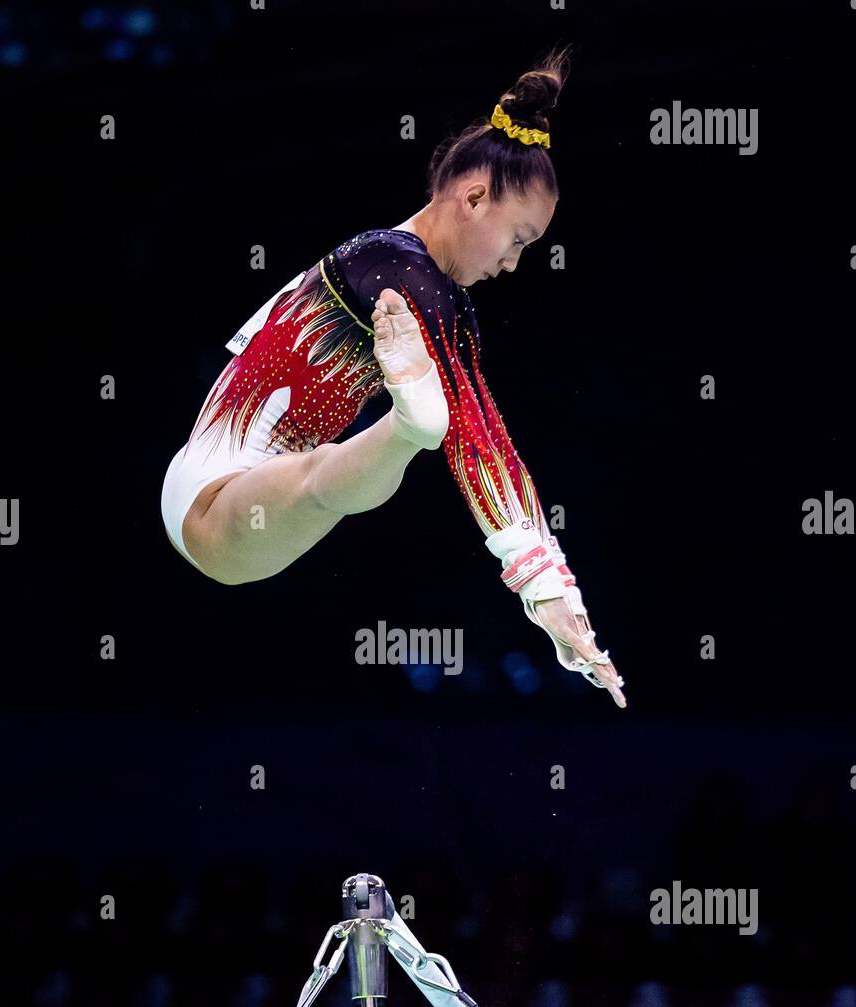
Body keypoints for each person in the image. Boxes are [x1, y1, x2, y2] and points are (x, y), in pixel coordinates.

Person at [160, 44, 625, 706]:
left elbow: (481, 428)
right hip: (215, 502)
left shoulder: (439, 298)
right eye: (518, 239)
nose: (516, 264)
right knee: (351, 466)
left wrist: (553, 585)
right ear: (473, 197)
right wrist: (544, 585)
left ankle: (410, 425)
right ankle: (412, 423)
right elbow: (475, 431)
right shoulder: (391, 263)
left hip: (266, 504)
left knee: (370, 466)